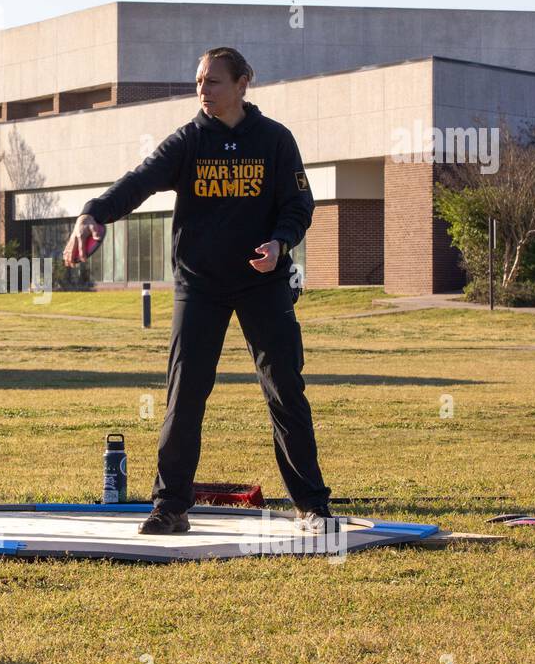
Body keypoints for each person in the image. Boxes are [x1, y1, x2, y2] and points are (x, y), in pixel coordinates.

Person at [63, 47, 334, 535]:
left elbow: (299, 204)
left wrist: (280, 242)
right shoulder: (189, 142)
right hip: (200, 286)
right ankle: (170, 506)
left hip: (263, 282)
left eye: (212, 82)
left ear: (243, 83)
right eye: (198, 82)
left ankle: (312, 505)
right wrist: (92, 212)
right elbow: (138, 182)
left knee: (285, 389)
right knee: (184, 395)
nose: (202, 91)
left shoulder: (275, 141)